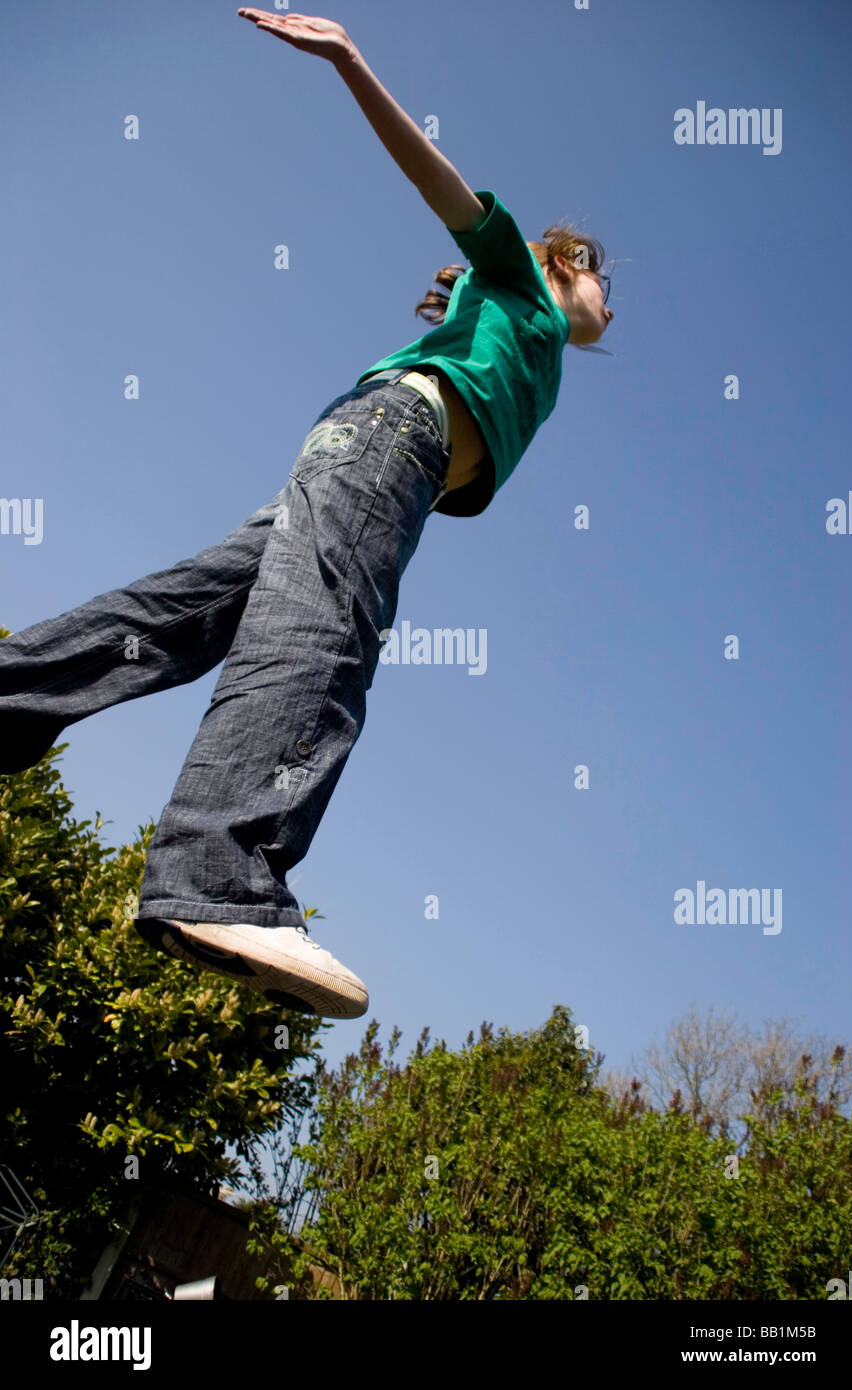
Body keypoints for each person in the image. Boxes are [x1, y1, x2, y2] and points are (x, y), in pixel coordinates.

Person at [0, 11, 614, 1021]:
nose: (604, 302)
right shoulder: (523, 285)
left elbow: (467, 293)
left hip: (355, 452)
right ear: (561, 265)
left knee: (185, 617)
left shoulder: (513, 320)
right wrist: (348, 61)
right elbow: (437, 185)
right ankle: (218, 871)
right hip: (388, 450)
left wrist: (458, 300)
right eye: (597, 278)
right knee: (331, 624)